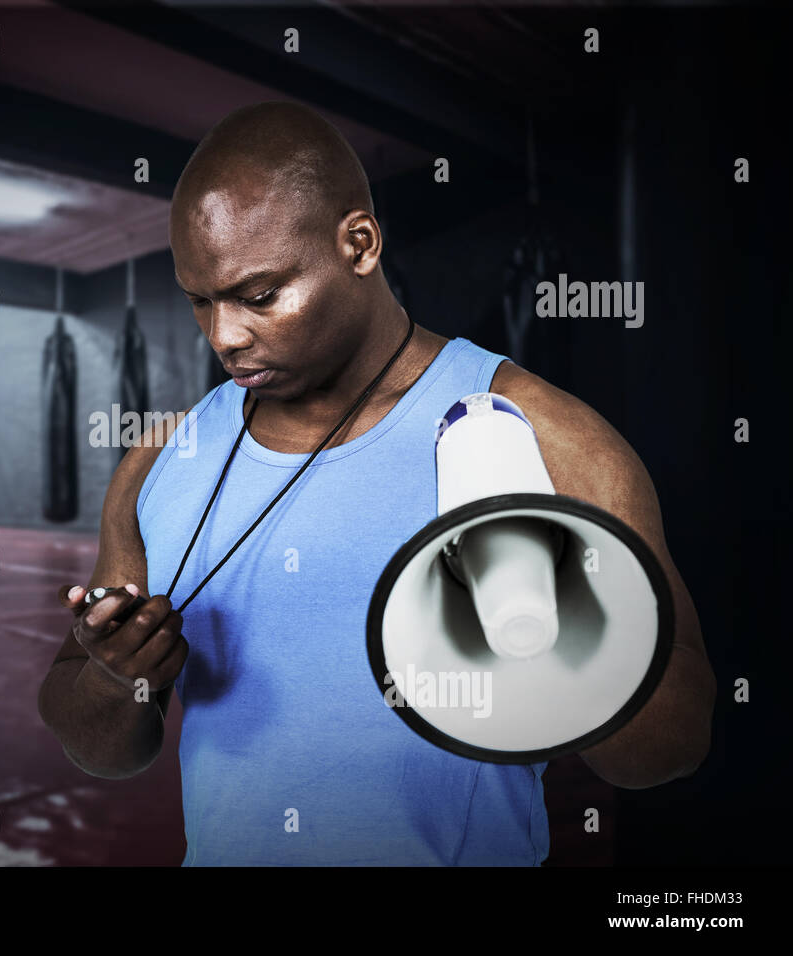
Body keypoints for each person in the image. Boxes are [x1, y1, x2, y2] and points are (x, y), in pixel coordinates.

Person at [36, 101, 715, 866]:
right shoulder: (160, 460)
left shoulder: (547, 438)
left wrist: (555, 630)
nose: (224, 336)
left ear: (358, 244)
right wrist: (112, 674)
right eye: (200, 300)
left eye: (259, 296)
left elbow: (673, 749)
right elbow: (103, 747)